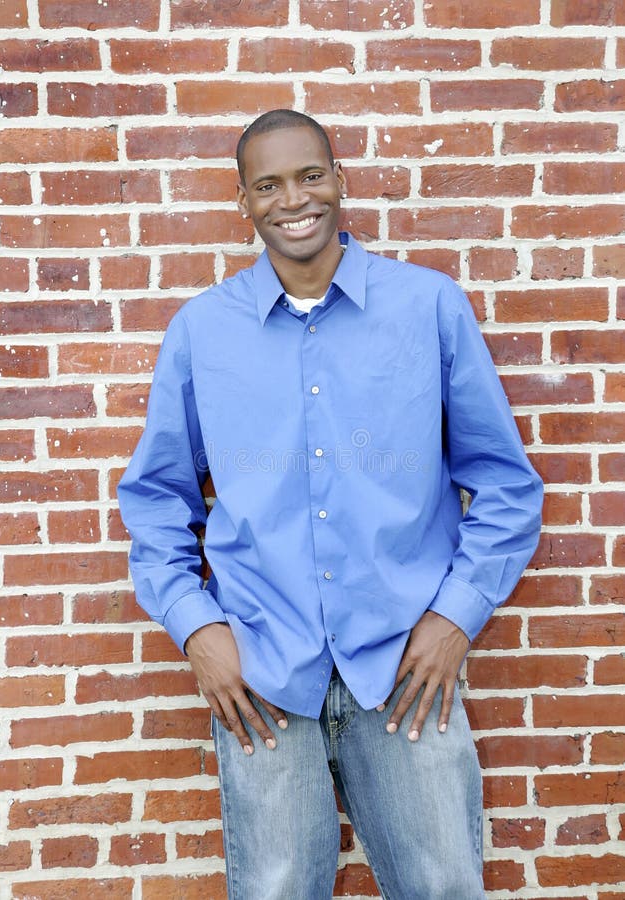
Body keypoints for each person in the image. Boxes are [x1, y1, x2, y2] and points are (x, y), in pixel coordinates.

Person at [118, 109, 543, 900]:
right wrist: (196, 627)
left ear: (340, 181)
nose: (294, 199)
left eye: (310, 175)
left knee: (445, 887)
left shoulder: (429, 308)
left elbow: (507, 485)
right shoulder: (202, 333)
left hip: (405, 671)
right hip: (264, 676)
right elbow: (154, 498)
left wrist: (456, 617)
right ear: (242, 202)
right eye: (268, 184)